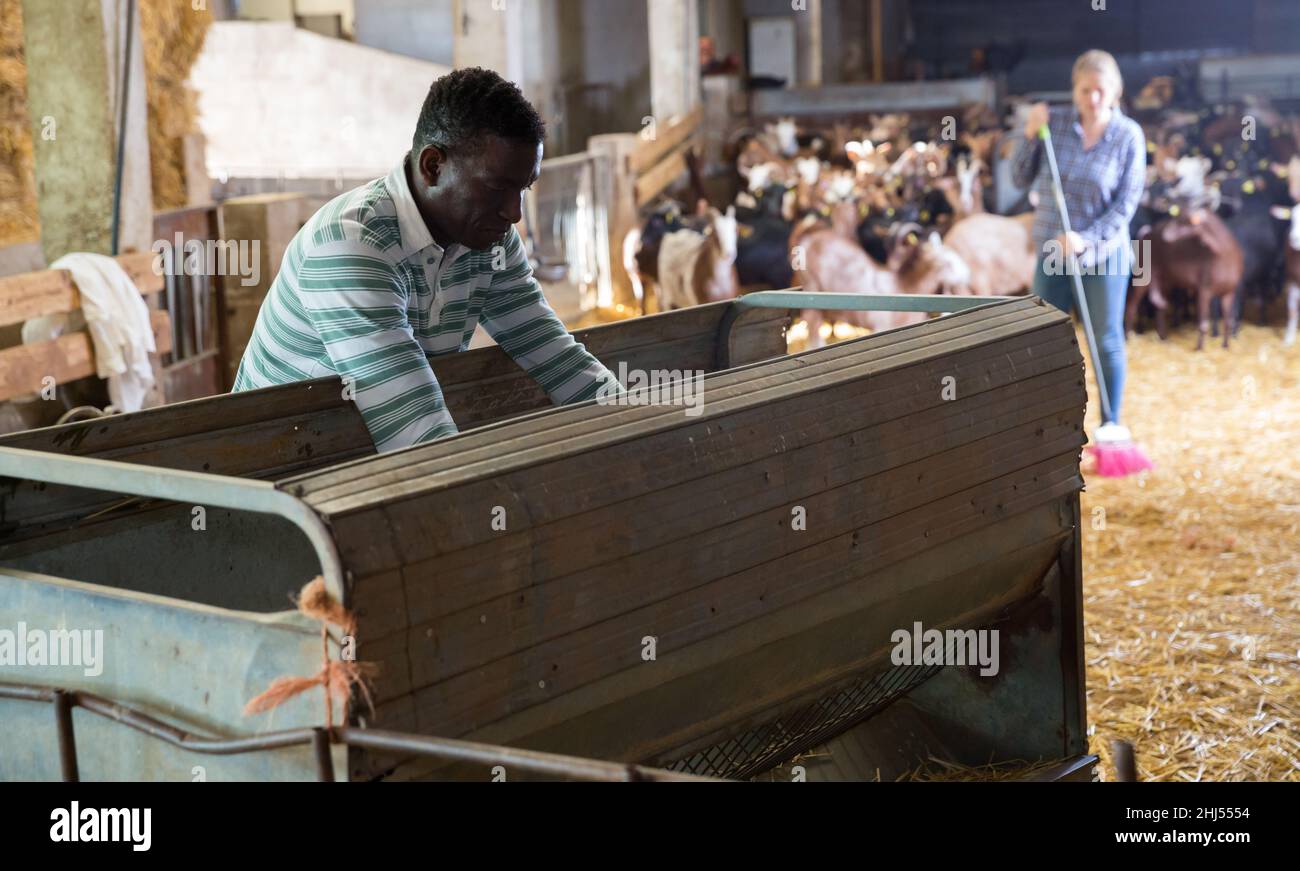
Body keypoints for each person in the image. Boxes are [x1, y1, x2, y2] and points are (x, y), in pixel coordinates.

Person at [232, 67, 619, 453]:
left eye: (523, 188)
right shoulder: (350, 246)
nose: (514, 213)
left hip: (354, 460)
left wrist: (640, 428)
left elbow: (553, 356)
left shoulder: (488, 243)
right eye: (497, 187)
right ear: (433, 166)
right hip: (269, 470)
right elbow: (416, 431)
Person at [1011, 49, 1145, 425]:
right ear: (1075, 91)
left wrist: (1086, 238)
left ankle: (1110, 422)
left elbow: (1126, 203)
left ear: (1115, 91)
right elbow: (1019, 178)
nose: (1093, 99)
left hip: (1104, 253)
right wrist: (1029, 134)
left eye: (1101, 90)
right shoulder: (1053, 126)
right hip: (1054, 250)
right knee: (1045, 336)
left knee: (1105, 339)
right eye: (1086, 90)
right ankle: (1048, 425)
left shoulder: (1128, 136)